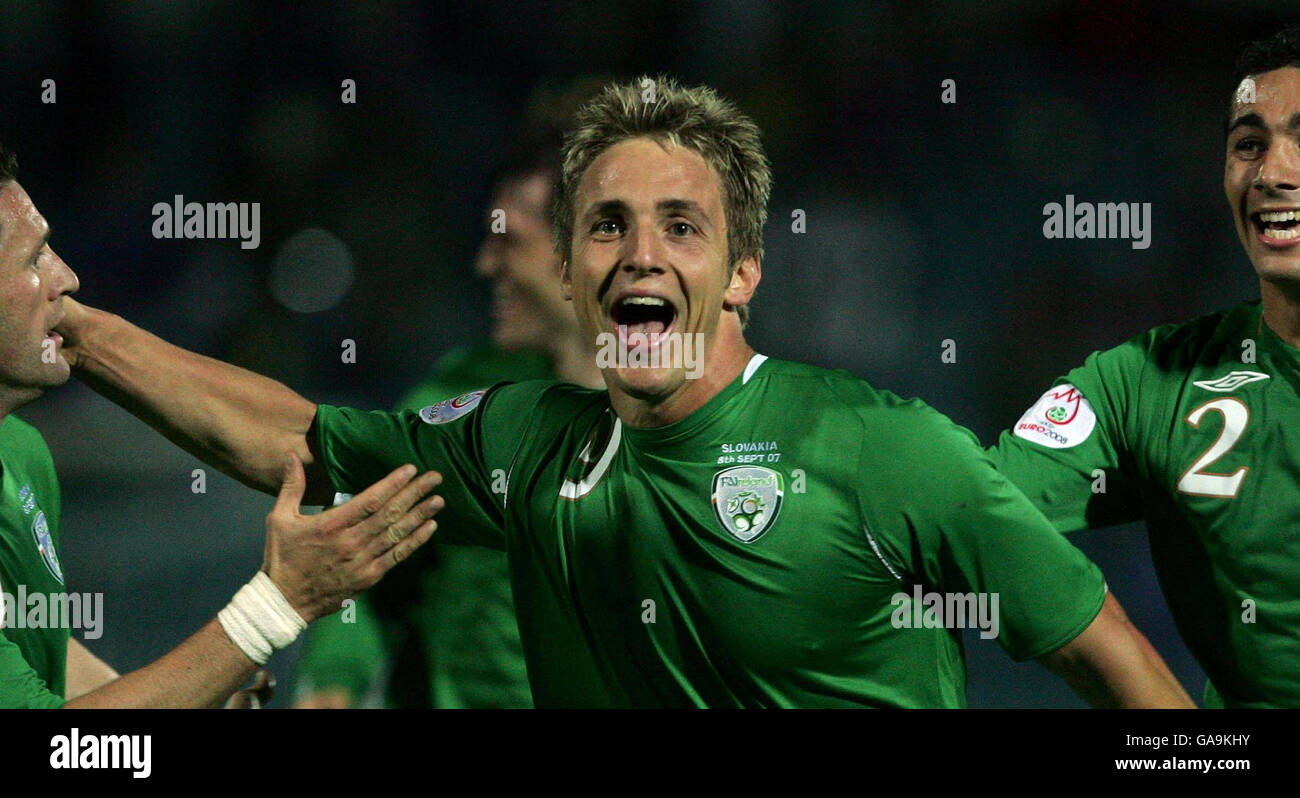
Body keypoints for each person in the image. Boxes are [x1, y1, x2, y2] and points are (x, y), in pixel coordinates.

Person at [56, 77, 1192, 707]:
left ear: (743, 271)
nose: (638, 254)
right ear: (570, 270)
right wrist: (79, 329)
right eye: (606, 224)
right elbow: (294, 439)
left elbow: (1116, 659)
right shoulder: (517, 439)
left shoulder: (883, 446)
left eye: (680, 227)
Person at [0, 148, 442, 708]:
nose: (68, 276)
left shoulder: (19, 449)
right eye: (34, 259)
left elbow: (36, 656)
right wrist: (274, 606)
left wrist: (197, 698)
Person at [988, 25, 1300, 709]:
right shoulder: (1149, 380)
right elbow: (963, 513)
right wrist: (1112, 654)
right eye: (1249, 144)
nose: (1272, 172)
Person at [295, 89, 604, 709]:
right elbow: (361, 560)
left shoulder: (687, 414)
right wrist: (331, 681)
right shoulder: (455, 399)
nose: (485, 264)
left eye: (509, 240)